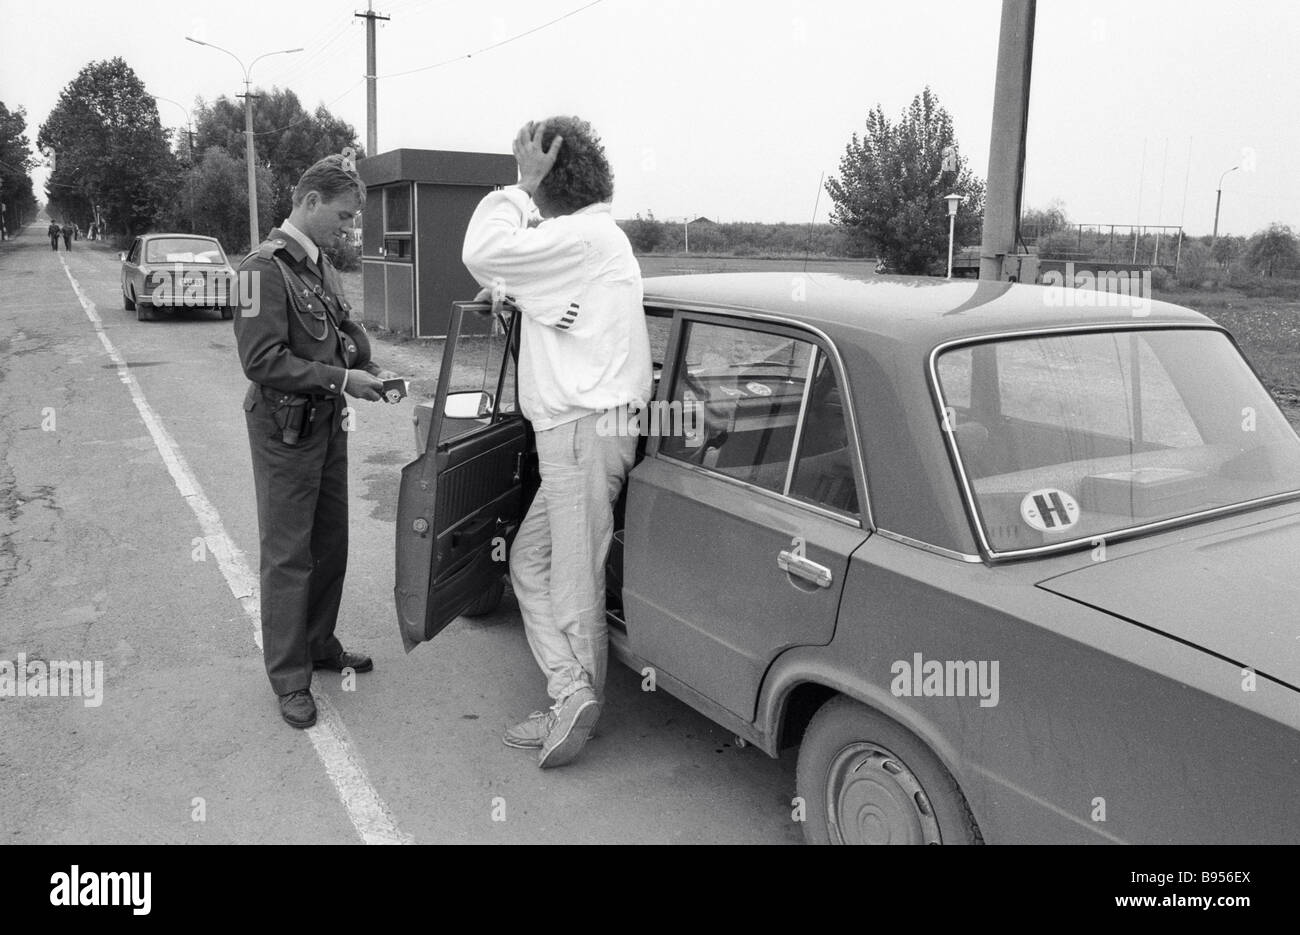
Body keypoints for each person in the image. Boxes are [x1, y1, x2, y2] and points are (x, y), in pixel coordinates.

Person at [462, 117, 652, 768]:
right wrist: (511, 294)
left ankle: (575, 705)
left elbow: (483, 250)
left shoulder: (580, 235)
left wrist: (520, 185)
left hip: (578, 431)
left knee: (571, 580)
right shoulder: (594, 240)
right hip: (583, 431)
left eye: (537, 172)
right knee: (531, 562)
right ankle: (571, 692)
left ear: (553, 176)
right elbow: (548, 297)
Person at [233, 154, 399, 729]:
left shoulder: (318, 263)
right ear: (309, 202)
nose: (350, 227)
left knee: (331, 541)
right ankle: (288, 677)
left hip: (326, 424)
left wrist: (362, 360)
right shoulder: (261, 269)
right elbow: (261, 360)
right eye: (344, 215)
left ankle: (319, 641)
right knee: (287, 554)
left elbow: (338, 332)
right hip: (283, 429)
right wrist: (341, 379)